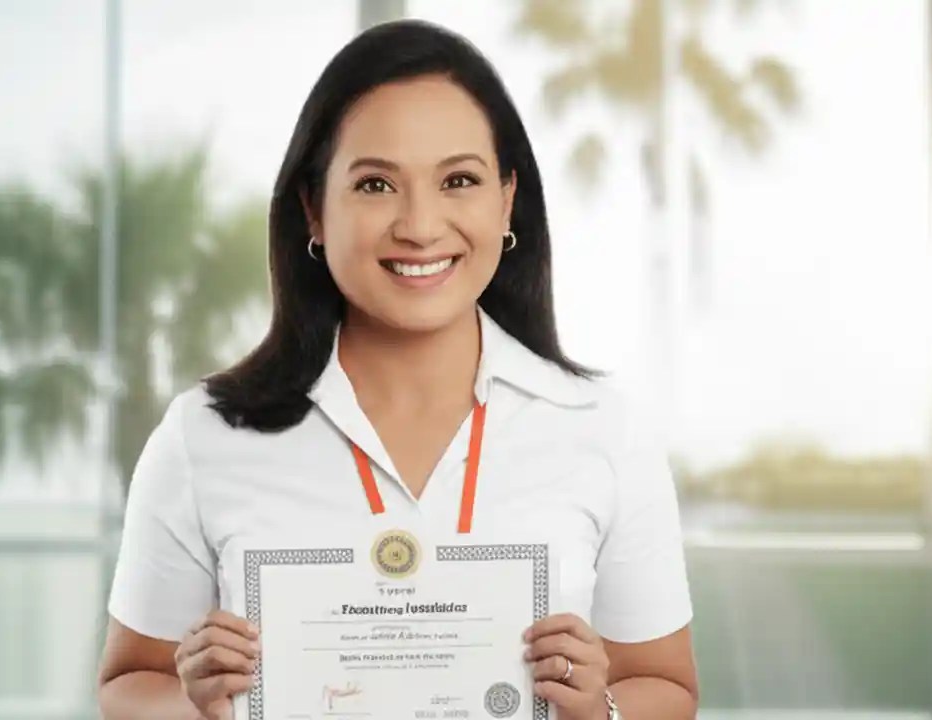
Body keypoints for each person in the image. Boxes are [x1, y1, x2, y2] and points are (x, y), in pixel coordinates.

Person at [97, 19, 698, 720]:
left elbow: (667, 686)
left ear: (507, 200)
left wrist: (600, 709)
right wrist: (201, 709)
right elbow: (128, 684)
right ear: (313, 210)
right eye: (377, 184)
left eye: (459, 181)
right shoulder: (204, 435)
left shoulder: (602, 429)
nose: (419, 224)